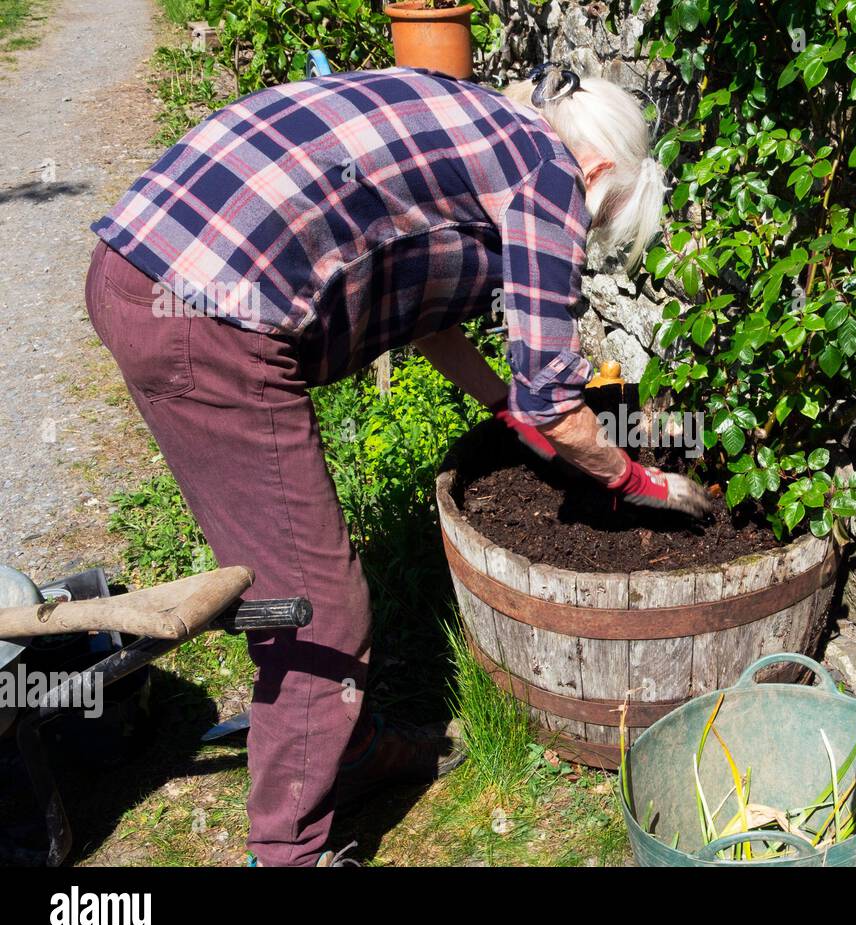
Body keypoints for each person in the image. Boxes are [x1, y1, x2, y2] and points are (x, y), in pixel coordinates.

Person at [84, 63, 711, 866]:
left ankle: (335, 746)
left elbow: (429, 323)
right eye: (594, 225)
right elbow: (560, 402)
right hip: (210, 321)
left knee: (279, 579)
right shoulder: (549, 175)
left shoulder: (488, 125)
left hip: (142, 272)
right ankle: (288, 851)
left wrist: (504, 407)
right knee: (320, 608)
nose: (579, 238)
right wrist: (634, 479)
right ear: (595, 172)